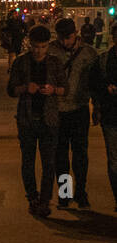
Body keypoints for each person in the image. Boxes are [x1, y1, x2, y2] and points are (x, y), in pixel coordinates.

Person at [8, 25, 65, 217]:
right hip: (27, 119)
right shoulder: (21, 63)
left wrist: (53, 90)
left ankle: (45, 200)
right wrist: (26, 88)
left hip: (49, 119)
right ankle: (32, 197)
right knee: (28, 162)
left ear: (48, 45)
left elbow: (64, 88)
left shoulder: (55, 63)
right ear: (29, 44)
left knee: (49, 163)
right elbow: (11, 90)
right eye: (35, 47)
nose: (39, 51)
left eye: (42, 47)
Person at [48, 18, 98, 208]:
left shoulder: (88, 53)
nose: (64, 42)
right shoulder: (51, 51)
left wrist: (97, 108)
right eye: (61, 37)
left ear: (75, 33)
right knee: (60, 156)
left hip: (79, 109)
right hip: (57, 110)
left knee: (80, 155)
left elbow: (94, 83)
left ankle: (80, 192)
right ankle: (65, 194)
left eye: (68, 37)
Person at [88, 22, 117, 211]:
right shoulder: (104, 60)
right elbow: (95, 85)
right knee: (114, 161)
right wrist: (103, 93)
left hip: (110, 114)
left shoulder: (103, 59)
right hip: (111, 115)